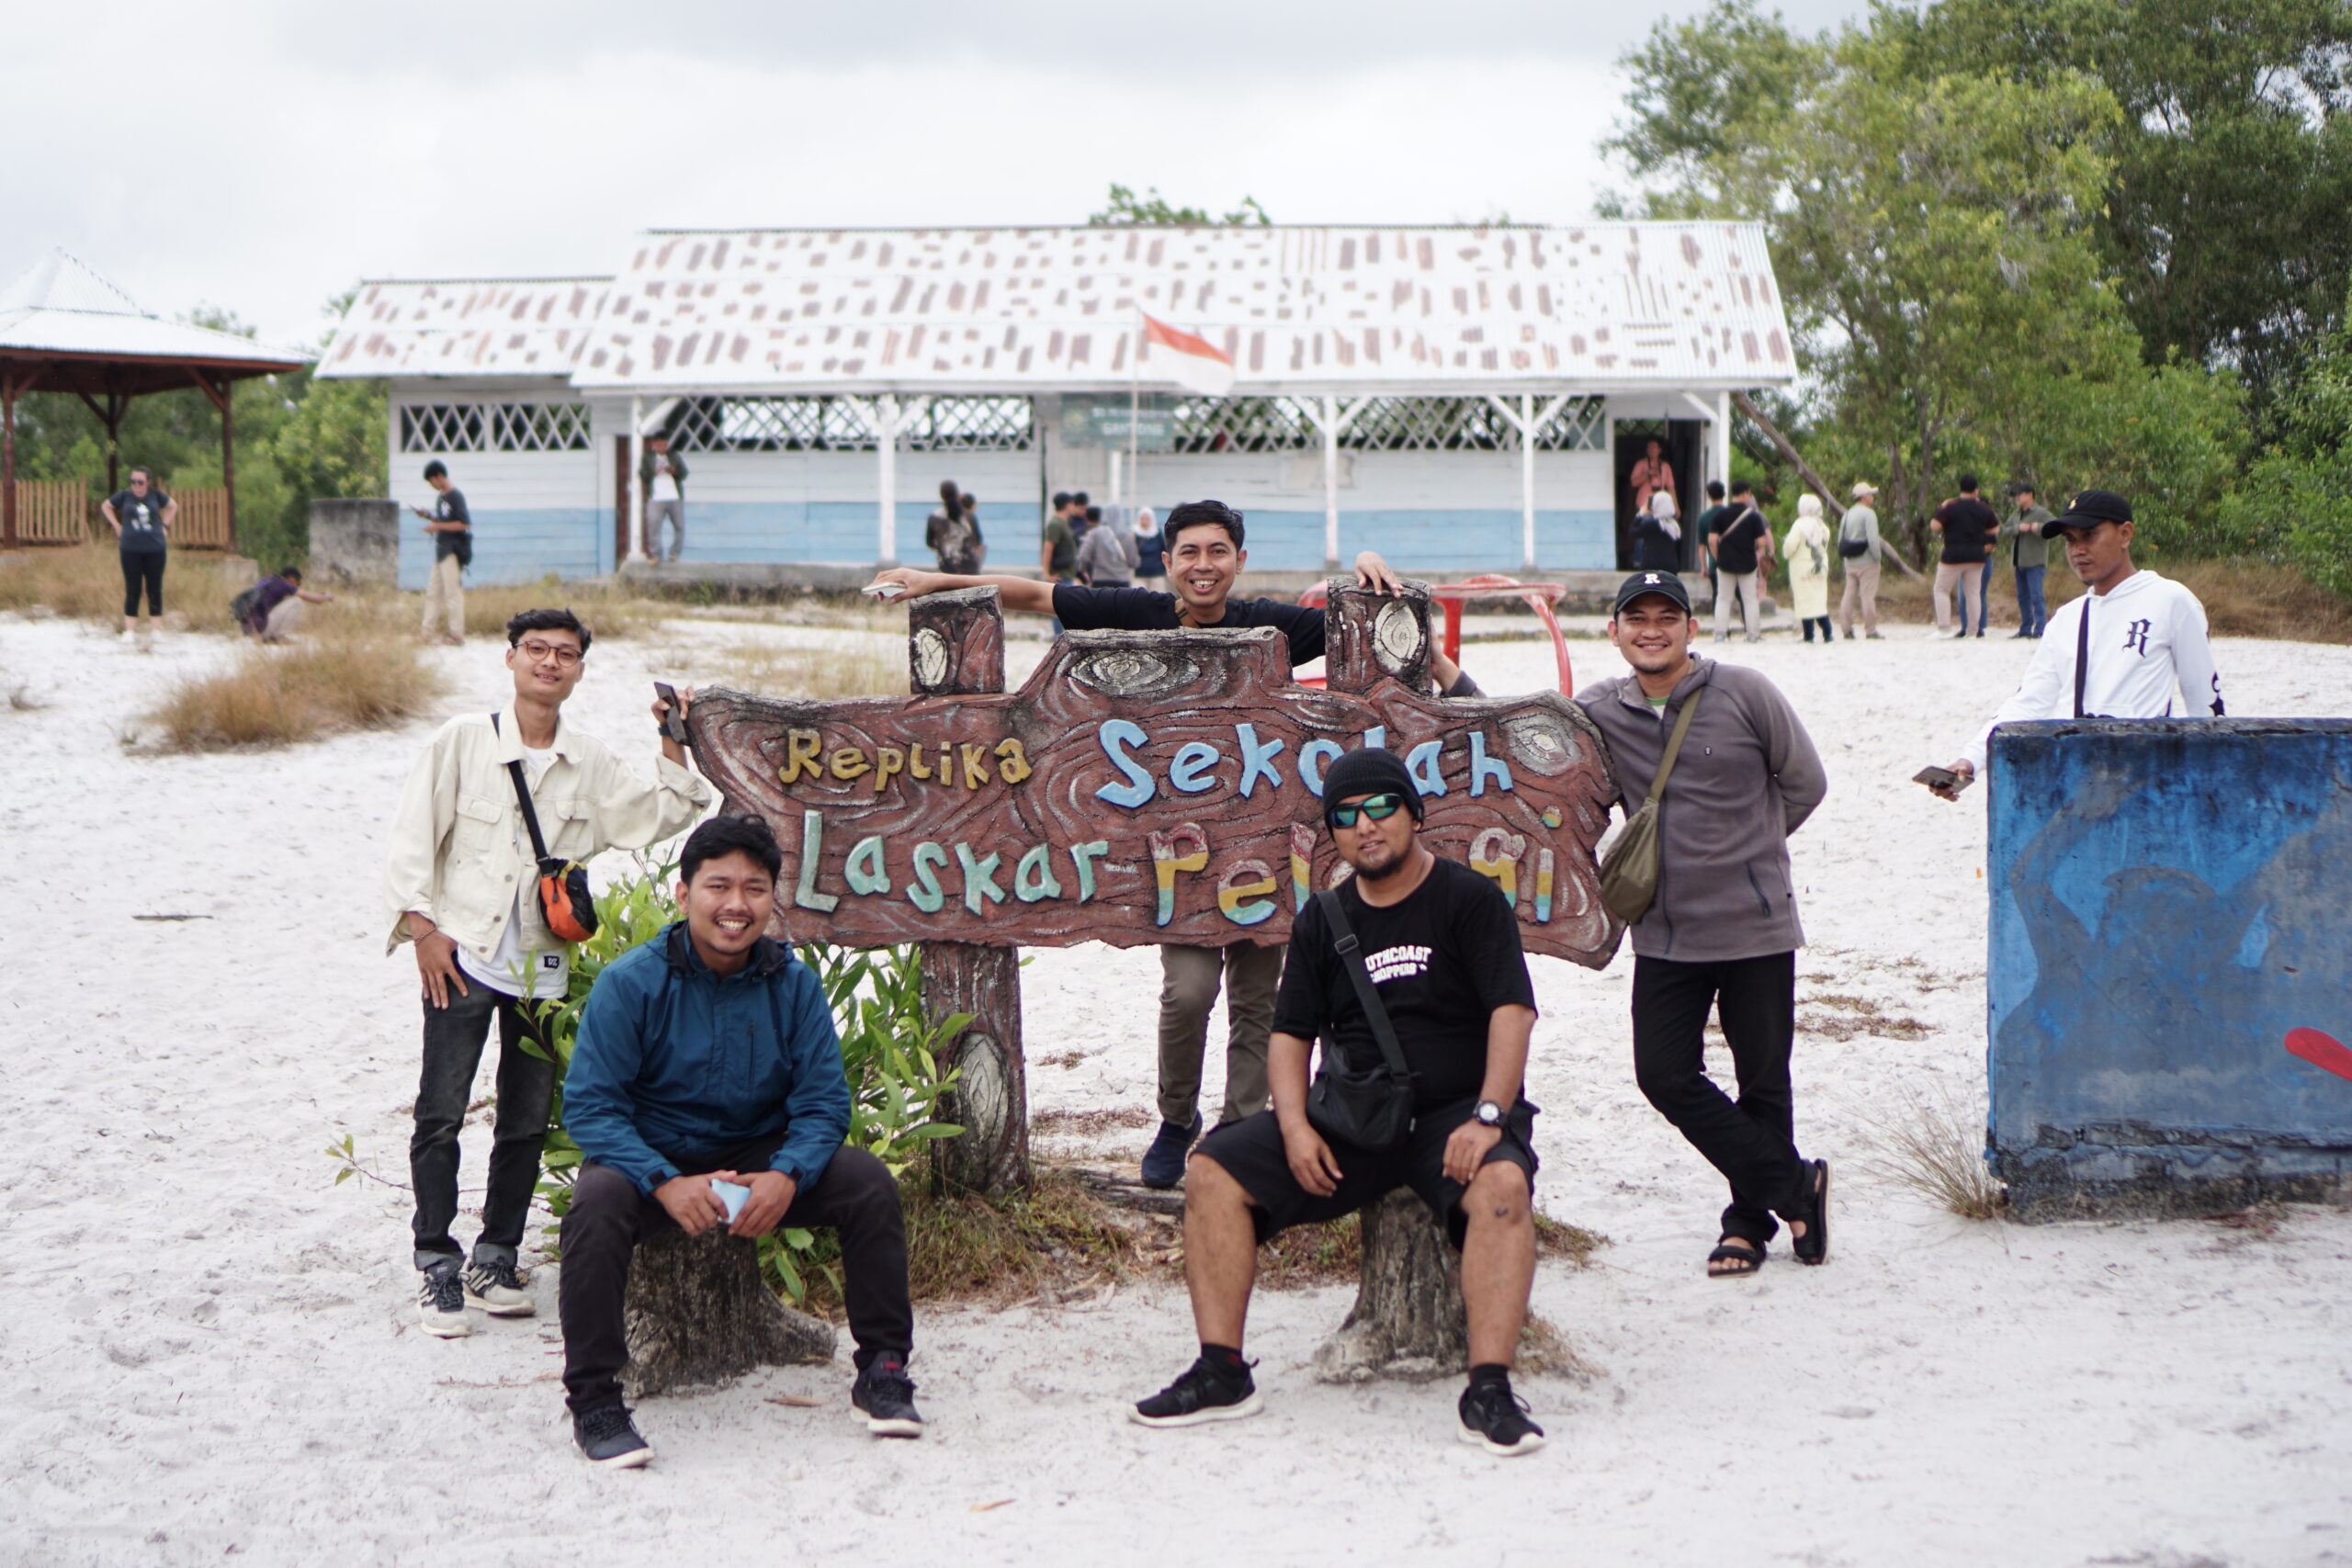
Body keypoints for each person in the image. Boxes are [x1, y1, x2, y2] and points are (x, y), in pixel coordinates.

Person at [868, 500, 1467, 1189]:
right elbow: (1035, 594)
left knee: (1258, 999)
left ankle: (1240, 1127)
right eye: (1190, 552)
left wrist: (1367, 566)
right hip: (1181, 857)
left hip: (1265, 848)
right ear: (1167, 560)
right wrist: (933, 580)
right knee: (1187, 991)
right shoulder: (1141, 613)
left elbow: (1369, 626)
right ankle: (1176, 1117)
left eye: (1218, 551)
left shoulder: (1272, 624)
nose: (1203, 566)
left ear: (1240, 560)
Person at [1127, 747, 1548, 1457]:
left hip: (1453, 1118)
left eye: (1382, 807)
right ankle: (1222, 1370)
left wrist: (1488, 1116)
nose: (1366, 826)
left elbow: (1513, 1011)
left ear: (1415, 813)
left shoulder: (1470, 900)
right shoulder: (1324, 918)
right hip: (1354, 1117)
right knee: (1211, 1170)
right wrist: (1294, 1127)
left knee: (1504, 1187)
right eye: (1347, 816)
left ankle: (1488, 1389)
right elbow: (1289, 1034)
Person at [382, 608, 713, 1339]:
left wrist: (673, 733)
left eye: (565, 653)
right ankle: (436, 1260)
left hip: (541, 966)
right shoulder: (462, 740)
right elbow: (411, 837)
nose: (550, 662)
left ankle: (495, 1258)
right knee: (441, 1110)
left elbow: (665, 811)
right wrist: (422, 930)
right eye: (536, 649)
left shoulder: (588, 760)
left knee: (526, 1118)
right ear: (510, 658)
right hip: (461, 954)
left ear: (580, 670)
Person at [557, 814, 923, 1468]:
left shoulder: (793, 983)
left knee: (866, 1183)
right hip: (657, 1159)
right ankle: (595, 1400)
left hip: (758, 1157)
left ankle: (883, 1370)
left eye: (755, 888)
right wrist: (664, 1181)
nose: (736, 904)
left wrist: (788, 1174)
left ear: (772, 900)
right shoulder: (629, 983)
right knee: (596, 1203)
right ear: (683, 893)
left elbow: (822, 1102)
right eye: (718, 886)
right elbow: (590, 1105)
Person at [1577, 571, 1832, 1277]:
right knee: (1663, 1073)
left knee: (1763, 1079)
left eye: (1668, 617)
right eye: (1637, 618)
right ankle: (1796, 1186)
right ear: (1615, 631)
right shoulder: (1598, 710)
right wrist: (1444, 668)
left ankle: (1748, 1222)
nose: (1652, 630)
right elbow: (1522, 739)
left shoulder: (1746, 692)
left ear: (1692, 628)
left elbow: (1806, 783)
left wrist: (1749, 851)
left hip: (1756, 925)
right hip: (1666, 932)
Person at [1928, 490, 2226, 801]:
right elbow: (2030, 701)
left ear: (2125, 534)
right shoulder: (2066, 618)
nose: (2078, 550)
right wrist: (1971, 760)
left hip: (2144, 786)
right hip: (2072, 782)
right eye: (2070, 540)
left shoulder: (2172, 601)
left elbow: (2205, 707)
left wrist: (2211, 793)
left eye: (2090, 535)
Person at [101, 466, 174, 647]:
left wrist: (165, 526)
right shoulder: (125, 496)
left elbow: (173, 506)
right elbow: (106, 506)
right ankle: (130, 630)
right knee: (132, 588)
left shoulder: (156, 496)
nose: (136, 485)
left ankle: (156, 630)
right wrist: (117, 526)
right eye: (133, 481)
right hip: (130, 548)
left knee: (154, 588)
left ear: (148, 482)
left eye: (140, 482)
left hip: (155, 548)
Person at [1929, 474, 1997, 640]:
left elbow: (1934, 526)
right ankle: (1973, 631)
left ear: (1960, 489)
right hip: (1976, 555)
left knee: (1941, 589)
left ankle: (1944, 628)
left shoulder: (1951, 506)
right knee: (1973, 593)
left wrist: (1943, 509)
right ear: (1976, 490)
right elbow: (1994, 529)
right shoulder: (1983, 508)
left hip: (1953, 555)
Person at [413, 461, 471, 647]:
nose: (432, 485)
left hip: (452, 550)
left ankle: (457, 635)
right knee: (433, 593)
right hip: (441, 549)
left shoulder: (455, 496)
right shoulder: (441, 498)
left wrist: (437, 526)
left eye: (432, 481)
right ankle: (426, 632)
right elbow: (445, 520)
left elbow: (463, 524)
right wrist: (429, 517)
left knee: (452, 593)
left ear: (439, 476)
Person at [1707, 482, 1771, 643]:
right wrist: (1754, 550)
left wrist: (1717, 556)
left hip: (1725, 563)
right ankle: (1752, 634)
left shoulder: (1721, 515)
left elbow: (1712, 540)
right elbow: (1761, 542)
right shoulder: (1754, 516)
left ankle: (1720, 633)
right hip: (1747, 563)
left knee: (1723, 598)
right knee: (1750, 599)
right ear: (1745, 494)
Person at [1835, 480, 1885, 641]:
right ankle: (1870, 630)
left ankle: (1846, 629)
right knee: (1867, 596)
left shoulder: (1847, 514)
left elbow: (1840, 538)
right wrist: (1878, 558)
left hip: (1850, 561)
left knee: (1849, 595)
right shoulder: (1868, 514)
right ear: (1864, 497)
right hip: (1867, 561)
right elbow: (1873, 539)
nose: (1873, 497)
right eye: (1871, 494)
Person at [2003, 482, 2053, 638]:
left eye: (2020, 495)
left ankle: (2040, 629)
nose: (2017, 498)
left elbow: (2055, 527)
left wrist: (2037, 528)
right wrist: (2018, 528)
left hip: (2035, 562)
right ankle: (2025, 628)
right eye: (2015, 496)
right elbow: (2004, 531)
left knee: (2036, 596)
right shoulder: (2016, 514)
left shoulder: (2041, 513)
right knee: (2022, 597)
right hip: (2019, 562)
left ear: (2030, 495)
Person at [1782, 493, 1833, 644]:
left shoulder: (1799, 525)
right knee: (1819, 601)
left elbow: (1790, 546)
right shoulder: (1823, 526)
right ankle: (1828, 633)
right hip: (1820, 567)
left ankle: (1808, 635)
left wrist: (1786, 553)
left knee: (1804, 602)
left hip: (1802, 569)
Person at [238, 567, 334, 641]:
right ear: (292, 579)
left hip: (247, 630)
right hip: (260, 631)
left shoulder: (267, 580)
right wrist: (327, 597)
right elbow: (315, 600)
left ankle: (271, 636)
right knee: (297, 601)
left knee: (285, 602)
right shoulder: (284, 585)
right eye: (298, 582)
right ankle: (281, 636)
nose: (298, 585)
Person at [639, 434, 688, 563]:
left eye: (665, 445)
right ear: (654, 445)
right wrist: (655, 471)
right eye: (660, 445)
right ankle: (656, 554)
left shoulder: (674, 456)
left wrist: (673, 471)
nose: (663, 448)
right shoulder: (648, 457)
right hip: (656, 497)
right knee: (653, 525)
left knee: (679, 526)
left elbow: (684, 473)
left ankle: (674, 553)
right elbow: (643, 475)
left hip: (674, 496)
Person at [926, 479, 984, 574]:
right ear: (957, 493)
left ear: (941, 496)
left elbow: (931, 545)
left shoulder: (934, 517)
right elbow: (978, 543)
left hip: (946, 569)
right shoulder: (969, 516)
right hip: (970, 568)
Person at [1076, 502, 1140, 586]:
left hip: (1100, 581)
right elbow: (1134, 562)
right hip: (1122, 582)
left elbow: (1083, 556)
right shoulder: (1127, 537)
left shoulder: (1095, 534)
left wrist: (1082, 570)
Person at [1693, 479, 1730, 605]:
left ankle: (1718, 617)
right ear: (1724, 494)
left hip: (1715, 563)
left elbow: (1702, 545)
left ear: (1708, 496)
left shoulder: (1703, 518)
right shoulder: (1730, 514)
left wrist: (1704, 566)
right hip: (1734, 562)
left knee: (1718, 595)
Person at [1629, 489, 1683, 572]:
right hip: (1670, 569)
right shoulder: (1674, 525)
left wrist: (1639, 515)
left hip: (1651, 568)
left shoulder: (1652, 525)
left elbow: (1633, 532)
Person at [1628, 436, 1676, 519]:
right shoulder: (1640, 464)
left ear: (1659, 450)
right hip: (1644, 504)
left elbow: (1671, 488)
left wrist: (1676, 507)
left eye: (1653, 447)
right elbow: (1633, 483)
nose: (1650, 450)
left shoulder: (1665, 466)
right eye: (1648, 447)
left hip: (1660, 504)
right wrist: (1648, 474)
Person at [1042, 491, 1080, 586]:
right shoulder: (1055, 524)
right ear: (1068, 505)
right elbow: (1048, 548)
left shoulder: (1065, 522)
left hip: (1068, 574)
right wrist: (1046, 574)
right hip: (1060, 576)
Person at [1134, 506, 1165, 580]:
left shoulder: (1157, 532)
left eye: (1147, 519)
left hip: (1157, 572)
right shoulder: (1135, 533)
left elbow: (1163, 549)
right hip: (1140, 572)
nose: (1144, 521)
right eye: (1142, 518)